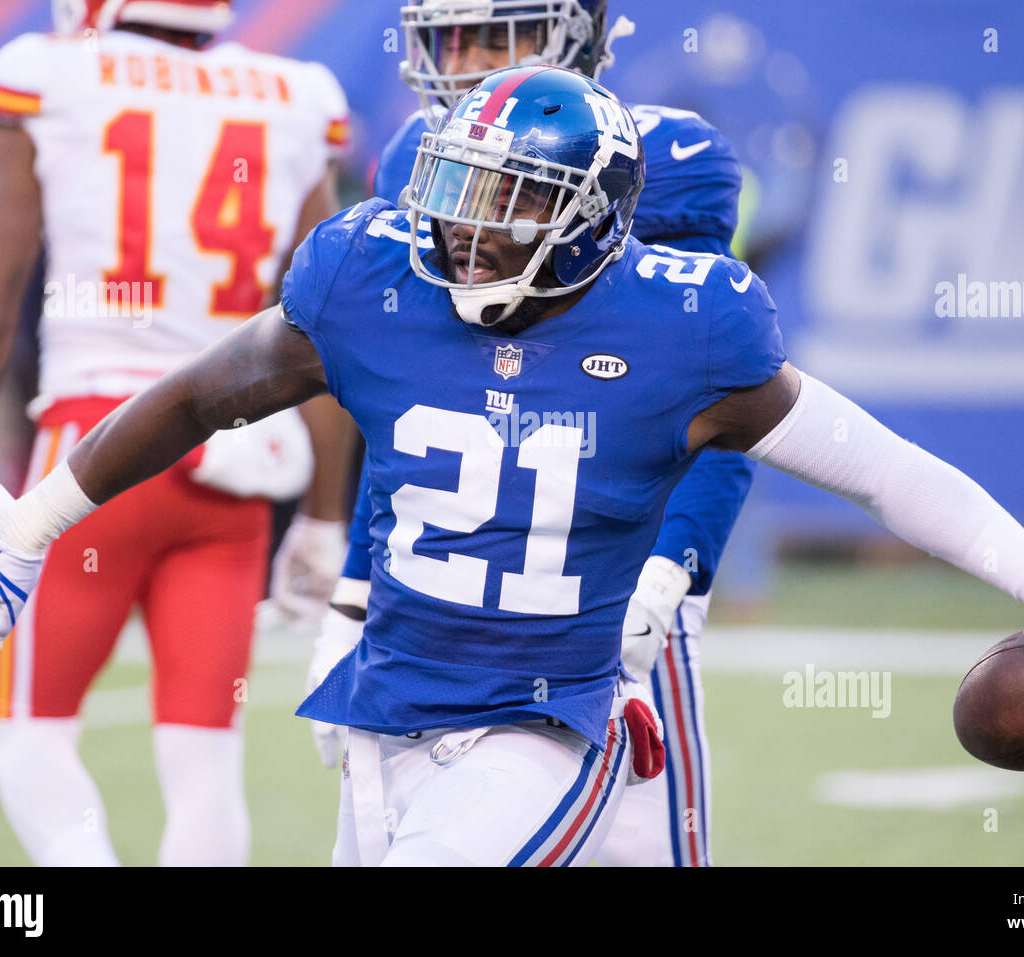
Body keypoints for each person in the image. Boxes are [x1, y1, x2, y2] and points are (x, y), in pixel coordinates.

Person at [0, 66, 1024, 868]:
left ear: (592, 218)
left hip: (538, 724)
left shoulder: (683, 330)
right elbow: (193, 397)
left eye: (503, 199)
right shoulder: (373, 276)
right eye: (456, 185)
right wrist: (26, 531)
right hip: (382, 704)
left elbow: (882, 471)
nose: (460, 222)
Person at [289, 0, 754, 868]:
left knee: (645, 851)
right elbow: (410, 412)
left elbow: (721, 406)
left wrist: (670, 567)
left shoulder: (668, 157)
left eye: (494, 33)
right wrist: (353, 596)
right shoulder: (415, 161)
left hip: (613, 570)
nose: (463, 59)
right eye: (445, 35)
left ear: (574, 35)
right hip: (455, 586)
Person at [0, 0, 351, 865]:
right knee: (204, 762)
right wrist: (327, 514)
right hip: (238, 454)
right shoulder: (294, 90)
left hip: (93, 450)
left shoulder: (49, 71)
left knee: (27, 729)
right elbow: (320, 329)